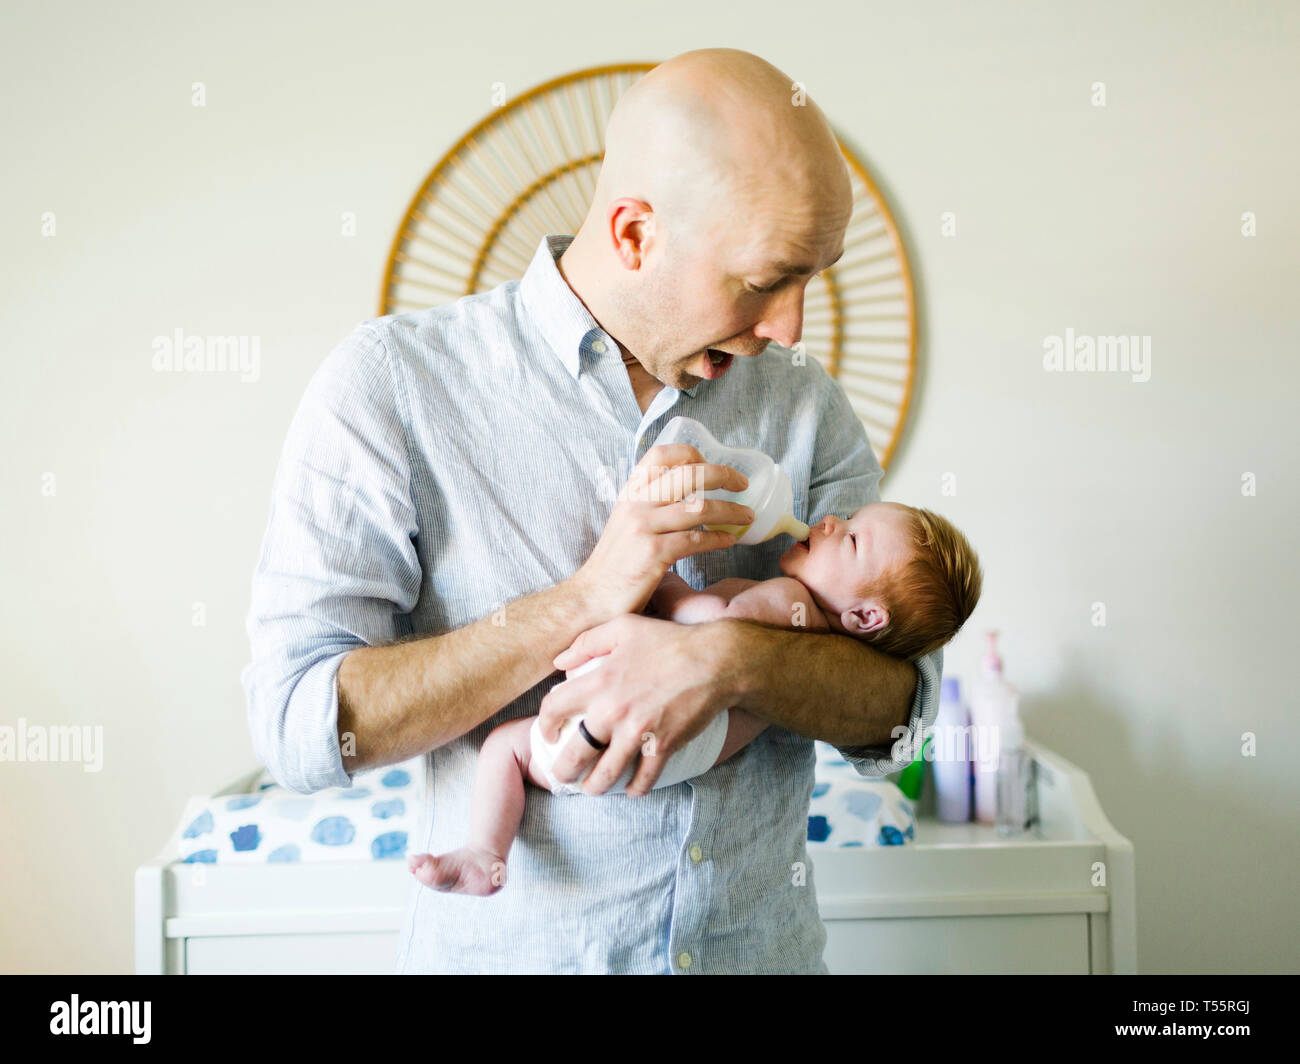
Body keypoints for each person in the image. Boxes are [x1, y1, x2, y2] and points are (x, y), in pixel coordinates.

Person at [242, 47, 946, 974]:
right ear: (634, 234)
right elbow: (302, 725)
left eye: (813, 277)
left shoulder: (801, 403)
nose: (791, 327)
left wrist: (729, 657)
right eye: (765, 279)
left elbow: (901, 711)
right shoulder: (390, 389)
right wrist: (586, 599)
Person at [406, 502, 982, 895]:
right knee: (514, 751)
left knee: (505, 750)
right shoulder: (813, 630)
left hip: (660, 727)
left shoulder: (789, 602)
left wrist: (661, 580)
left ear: (865, 616)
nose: (831, 520)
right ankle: (485, 855)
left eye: (851, 536)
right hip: (680, 750)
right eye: (848, 518)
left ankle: (485, 849)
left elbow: (716, 626)